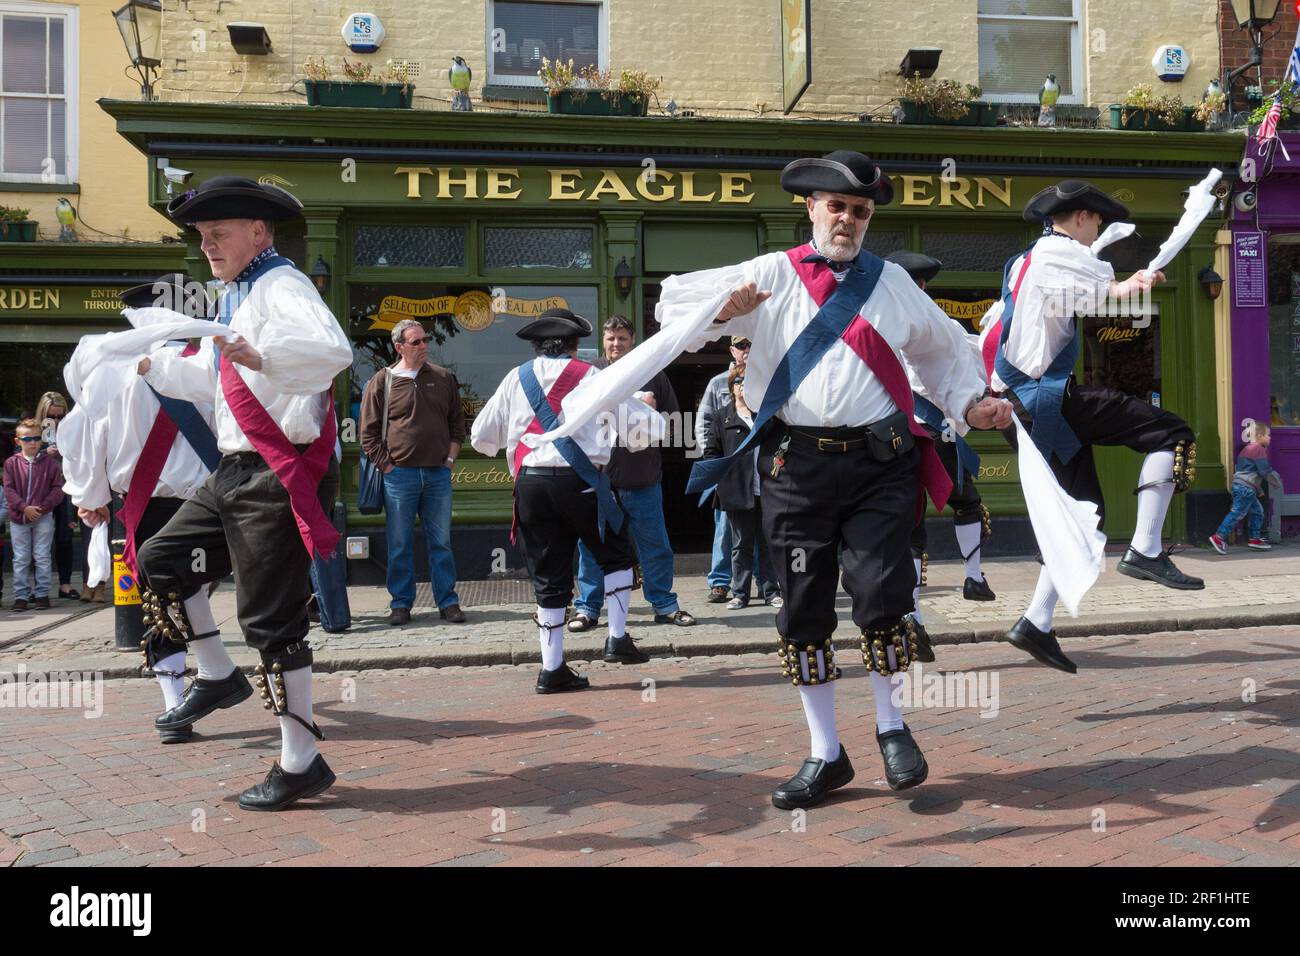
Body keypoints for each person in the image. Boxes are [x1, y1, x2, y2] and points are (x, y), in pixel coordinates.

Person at [543, 150, 1012, 808]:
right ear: (812, 207)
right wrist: (721, 312)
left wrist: (972, 404)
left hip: (881, 465)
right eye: (837, 206)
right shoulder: (769, 273)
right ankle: (826, 753)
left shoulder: (892, 284)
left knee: (882, 592)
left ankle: (892, 726)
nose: (847, 218)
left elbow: (940, 351)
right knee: (802, 606)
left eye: (860, 210)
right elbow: (674, 316)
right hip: (797, 468)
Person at [132, 175, 353, 811]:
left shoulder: (283, 284)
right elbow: (212, 374)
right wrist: (150, 365)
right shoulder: (240, 294)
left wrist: (260, 355)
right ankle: (220, 674)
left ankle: (300, 760)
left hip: (276, 470)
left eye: (217, 233)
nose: (206, 245)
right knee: (161, 559)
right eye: (201, 237)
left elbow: (330, 350)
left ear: (258, 233)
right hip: (235, 469)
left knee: (270, 618)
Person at [982, 181, 1201, 675]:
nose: (1098, 228)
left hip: (1028, 405)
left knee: (1083, 515)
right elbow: (1103, 290)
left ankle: (1034, 623)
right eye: (1096, 220)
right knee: (1172, 433)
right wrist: (1132, 283)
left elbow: (1086, 295)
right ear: (1079, 216)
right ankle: (1145, 549)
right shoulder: (1057, 252)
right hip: (1047, 399)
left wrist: (1129, 283)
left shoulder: (1024, 262)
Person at [60, 274, 221, 743]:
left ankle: (177, 703)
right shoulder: (209, 362)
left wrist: (90, 498)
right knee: (192, 596)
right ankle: (218, 680)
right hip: (212, 505)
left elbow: (88, 434)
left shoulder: (113, 370)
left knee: (161, 603)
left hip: (145, 506)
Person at [470, 308, 664, 692]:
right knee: (617, 555)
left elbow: (481, 437)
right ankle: (617, 639)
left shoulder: (516, 377)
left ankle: (552, 668)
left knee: (548, 574)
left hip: (530, 485)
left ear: (537, 345)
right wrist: (646, 411)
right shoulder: (593, 376)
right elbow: (642, 431)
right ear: (575, 345)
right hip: (581, 483)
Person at [883, 250, 996, 610]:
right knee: (967, 503)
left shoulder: (874, 322)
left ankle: (912, 611)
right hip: (934, 432)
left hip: (889, 435)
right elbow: (977, 363)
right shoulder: (938, 323)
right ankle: (973, 577)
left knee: (909, 520)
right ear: (919, 285)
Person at [570, 315, 695, 632]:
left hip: (642, 479)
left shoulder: (651, 372)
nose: (616, 344)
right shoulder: (589, 374)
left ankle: (664, 605)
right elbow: (573, 421)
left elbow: (674, 425)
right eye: (610, 338)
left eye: (622, 338)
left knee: (655, 546)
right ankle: (588, 609)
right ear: (603, 340)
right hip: (598, 481)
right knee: (591, 546)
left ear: (633, 340)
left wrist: (649, 414)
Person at [360, 318, 468, 627]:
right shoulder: (382, 381)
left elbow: (457, 426)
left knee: (442, 542)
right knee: (399, 543)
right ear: (399, 347)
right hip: (400, 477)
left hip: (437, 474)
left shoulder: (444, 377)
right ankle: (401, 604)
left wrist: (449, 460)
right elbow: (368, 434)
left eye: (425, 340)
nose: (423, 346)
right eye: (416, 341)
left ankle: (448, 602)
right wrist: (388, 467)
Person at [703, 367, 780, 610]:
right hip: (737, 490)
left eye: (748, 381)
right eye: (739, 381)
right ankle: (740, 594)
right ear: (731, 387)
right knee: (741, 545)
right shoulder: (722, 416)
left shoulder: (766, 415)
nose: (743, 386)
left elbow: (781, 444)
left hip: (766, 488)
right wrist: (722, 476)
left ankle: (771, 591)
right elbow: (711, 452)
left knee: (767, 543)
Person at [695, 336, 751, 604]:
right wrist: (713, 466)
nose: (746, 350)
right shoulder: (719, 382)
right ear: (732, 350)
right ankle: (720, 582)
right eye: (741, 346)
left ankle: (763, 583)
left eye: (751, 345)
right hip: (728, 468)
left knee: (759, 531)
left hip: (756, 469)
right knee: (725, 528)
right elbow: (704, 424)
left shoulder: (767, 379)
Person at [3, 419, 64, 611]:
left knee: (42, 556)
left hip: (42, 516)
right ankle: (20, 595)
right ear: (17, 441)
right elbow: (9, 489)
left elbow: (58, 488)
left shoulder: (50, 463)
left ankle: (42, 594)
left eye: (36, 438)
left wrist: (42, 507)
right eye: (27, 438)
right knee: (21, 558)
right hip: (19, 518)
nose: (32, 442)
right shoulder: (11, 463)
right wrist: (24, 507)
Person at [35, 391, 84, 601]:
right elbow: (20, 457)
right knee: (38, 541)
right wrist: (44, 453)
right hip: (41, 489)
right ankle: (38, 589)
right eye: (51, 416)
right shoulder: (33, 430)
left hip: (64, 487)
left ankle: (65, 584)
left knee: (64, 538)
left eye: (60, 416)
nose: (55, 420)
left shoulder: (71, 429)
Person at [1210, 422, 1278, 553]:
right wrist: (1276, 482)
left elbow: (1248, 472)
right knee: (1237, 513)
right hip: (1246, 489)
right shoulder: (1259, 449)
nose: (1270, 438)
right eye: (1268, 435)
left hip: (1243, 487)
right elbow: (1263, 471)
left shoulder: (1246, 449)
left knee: (1257, 512)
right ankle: (1218, 537)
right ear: (1259, 436)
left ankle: (1255, 538)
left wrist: (1259, 489)